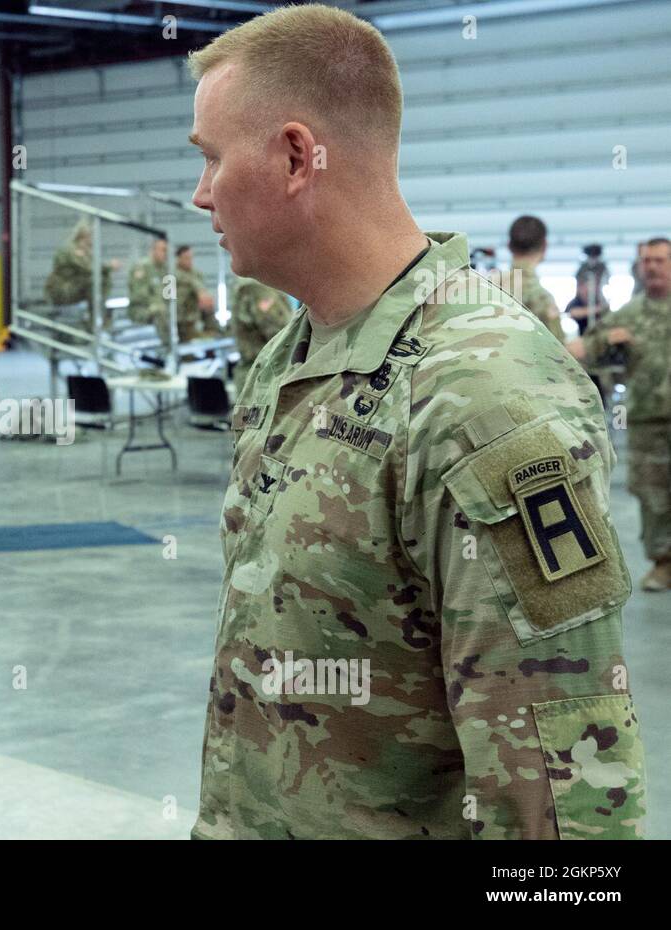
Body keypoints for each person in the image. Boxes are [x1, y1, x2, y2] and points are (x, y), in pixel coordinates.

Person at [188, 3, 643, 840]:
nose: (200, 193)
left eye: (213, 159)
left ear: (295, 156)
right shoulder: (289, 357)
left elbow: (559, 790)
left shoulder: (484, 393)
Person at [570, 237, 671, 590]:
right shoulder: (629, 314)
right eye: (647, 261)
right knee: (653, 496)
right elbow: (585, 349)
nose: (652, 267)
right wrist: (609, 339)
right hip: (646, 420)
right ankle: (663, 563)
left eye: (660, 260)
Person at [491, 215, 565, 342]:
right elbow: (559, 354)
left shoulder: (487, 287)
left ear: (509, 245)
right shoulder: (544, 300)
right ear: (545, 246)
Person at [43, 221, 121, 331]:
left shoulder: (86, 251)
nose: (93, 239)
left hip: (73, 288)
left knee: (103, 278)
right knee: (95, 281)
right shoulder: (71, 249)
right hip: (61, 290)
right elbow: (88, 268)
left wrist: (106, 270)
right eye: (91, 235)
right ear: (84, 236)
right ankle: (94, 321)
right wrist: (109, 266)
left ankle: (98, 318)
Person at [227, 273, 292, 387]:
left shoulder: (255, 285)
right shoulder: (257, 288)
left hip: (261, 372)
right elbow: (282, 335)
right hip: (265, 375)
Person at [127, 237, 170, 345]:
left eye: (167, 251)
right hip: (141, 309)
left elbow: (171, 295)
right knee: (160, 310)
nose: (166, 254)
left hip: (161, 308)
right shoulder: (142, 267)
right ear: (153, 250)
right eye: (163, 250)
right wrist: (157, 303)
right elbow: (138, 295)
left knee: (178, 312)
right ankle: (169, 346)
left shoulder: (167, 269)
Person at [173, 244, 219, 342]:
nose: (189, 261)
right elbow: (168, 299)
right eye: (186, 258)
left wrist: (204, 297)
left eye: (191, 258)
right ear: (178, 258)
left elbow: (203, 292)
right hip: (180, 320)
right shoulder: (170, 275)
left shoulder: (197, 274)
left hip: (197, 316)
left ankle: (213, 331)